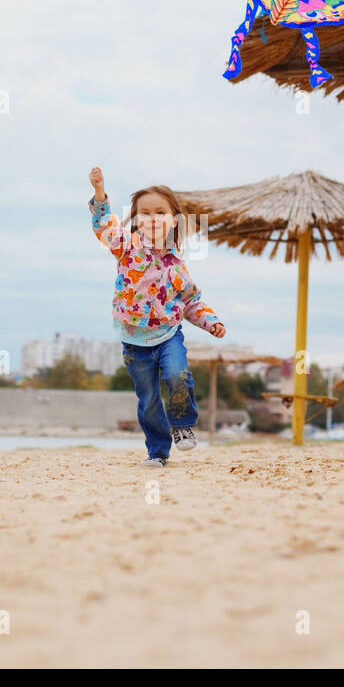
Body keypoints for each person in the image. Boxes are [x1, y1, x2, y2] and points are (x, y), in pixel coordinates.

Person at [89, 166, 225, 467]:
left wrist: (211, 321)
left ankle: (183, 425)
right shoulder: (126, 248)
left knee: (177, 375)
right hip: (133, 339)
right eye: (145, 213)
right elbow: (104, 226)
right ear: (136, 220)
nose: (153, 219)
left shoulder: (176, 264)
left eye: (160, 213)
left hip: (168, 335)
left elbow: (191, 302)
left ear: (173, 219)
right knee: (148, 399)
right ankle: (158, 452)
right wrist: (100, 193)